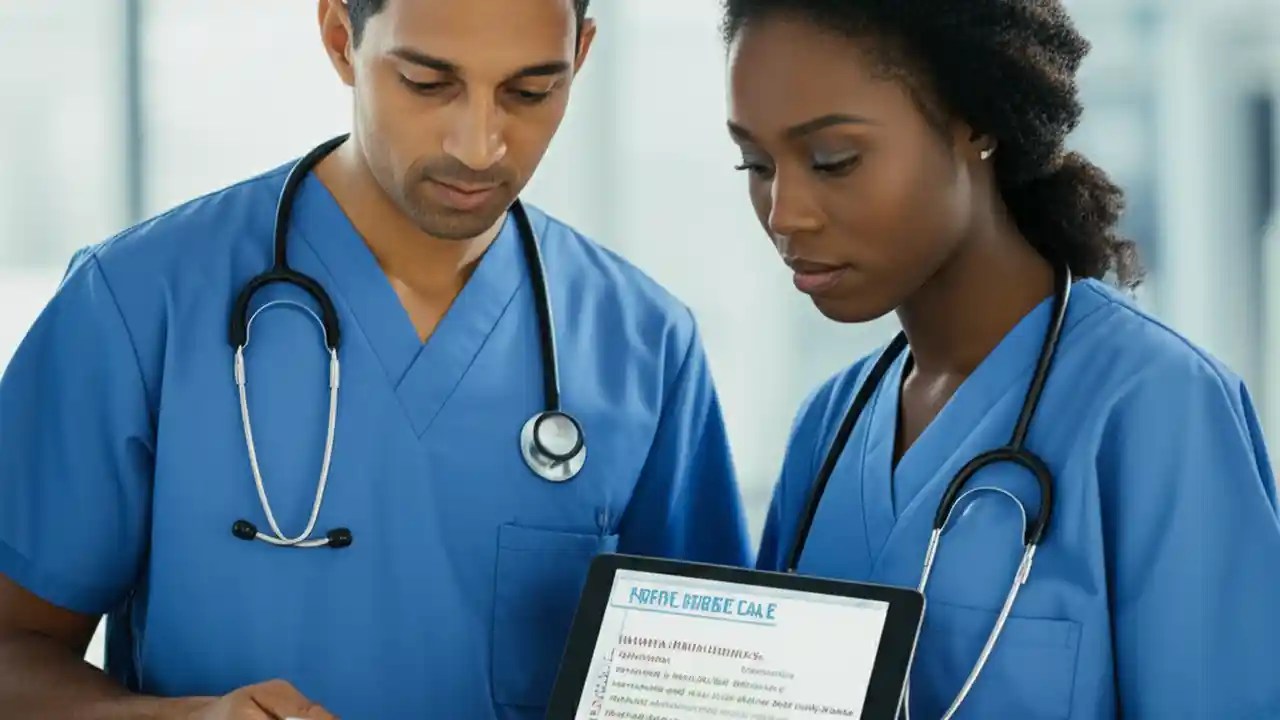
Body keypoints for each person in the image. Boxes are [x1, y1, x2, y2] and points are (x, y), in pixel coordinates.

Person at [0, 0, 752, 717]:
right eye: (428, 83)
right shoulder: (138, 302)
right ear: (339, 37)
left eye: (530, 91)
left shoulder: (644, 345)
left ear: (580, 57)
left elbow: (708, 689)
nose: (478, 144)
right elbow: (14, 652)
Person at [721, 0, 1280, 718]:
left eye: (834, 161)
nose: (784, 212)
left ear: (975, 124)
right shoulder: (829, 426)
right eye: (756, 164)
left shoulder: (1157, 406)